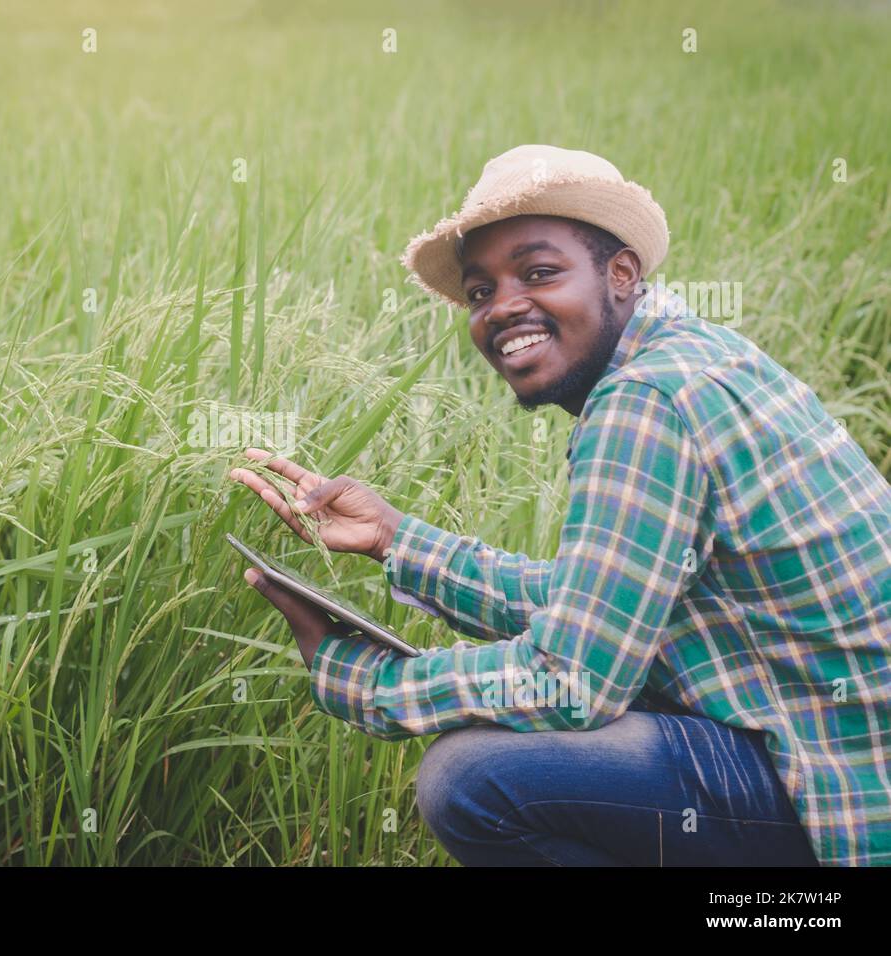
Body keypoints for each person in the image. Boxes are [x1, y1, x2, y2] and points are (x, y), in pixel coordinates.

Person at [228, 144, 891, 866]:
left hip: (846, 786)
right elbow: (601, 600)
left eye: (540, 272)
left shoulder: (646, 404)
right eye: (481, 292)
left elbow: (573, 679)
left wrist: (365, 680)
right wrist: (394, 538)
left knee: (473, 777)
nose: (505, 306)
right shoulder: (696, 357)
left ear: (621, 274)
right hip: (833, 741)